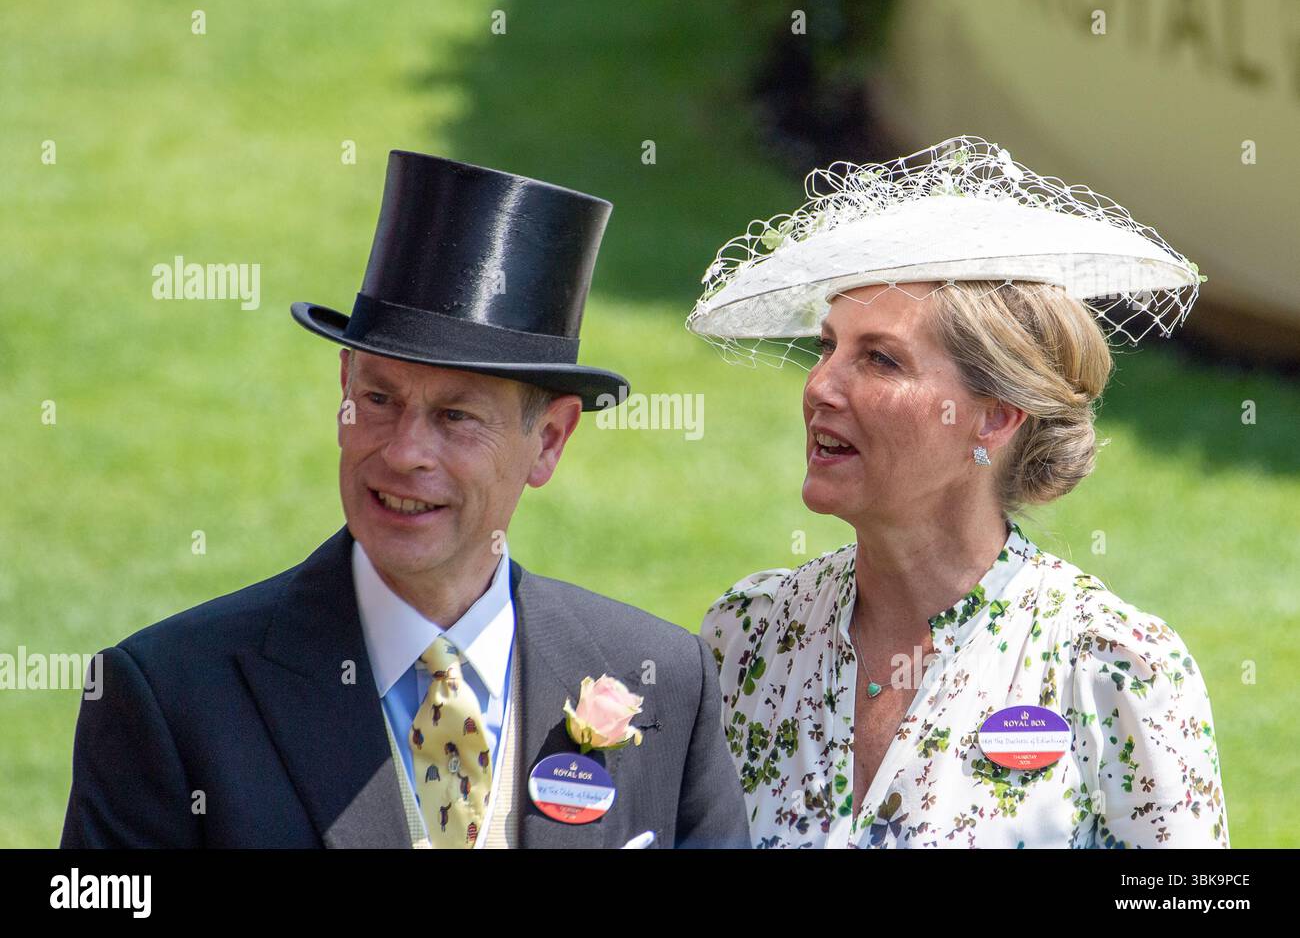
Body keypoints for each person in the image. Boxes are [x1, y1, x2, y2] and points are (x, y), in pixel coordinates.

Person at [61, 150, 749, 849]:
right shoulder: (172, 696)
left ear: (549, 441)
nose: (402, 451)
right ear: (342, 392)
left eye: (456, 417)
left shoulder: (663, 682)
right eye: (380, 399)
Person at [689, 136, 1229, 848]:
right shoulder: (751, 634)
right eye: (827, 348)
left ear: (994, 416)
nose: (820, 386)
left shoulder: (1108, 664)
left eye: (879, 360)